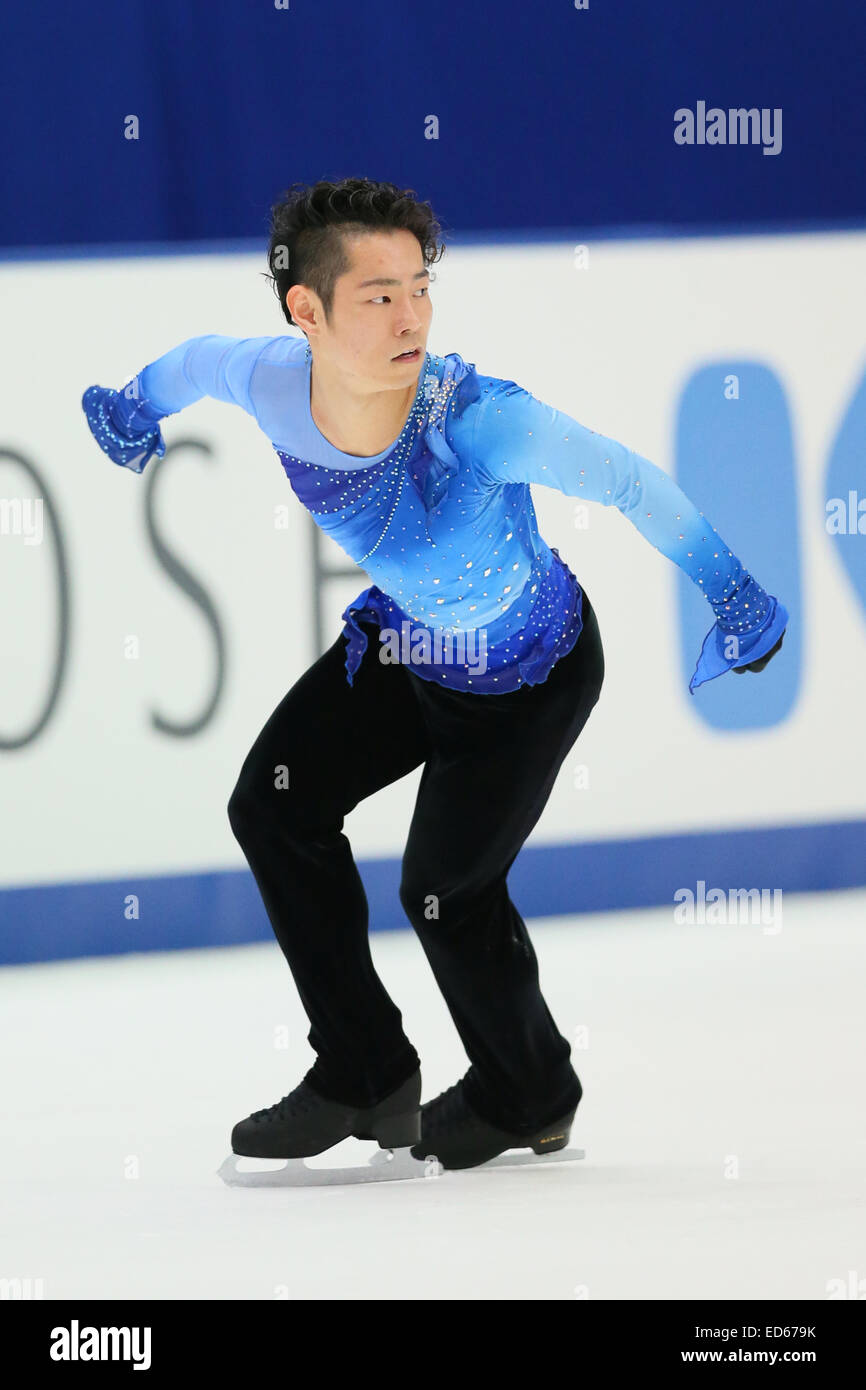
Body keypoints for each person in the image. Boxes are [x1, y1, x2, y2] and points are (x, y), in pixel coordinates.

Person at [82, 177, 787, 1171]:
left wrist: (732, 592)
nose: (411, 315)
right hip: (411, 650)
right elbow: (193, 363)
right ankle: (363, 1071)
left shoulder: (479, 421)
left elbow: (627, 479)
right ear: (306, 310)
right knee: (273, 806)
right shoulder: (271, 381)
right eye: (379, 295)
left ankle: (529, 1092)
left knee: (444, 894)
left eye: (421, 286)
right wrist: (131, 406)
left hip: (529, 678)